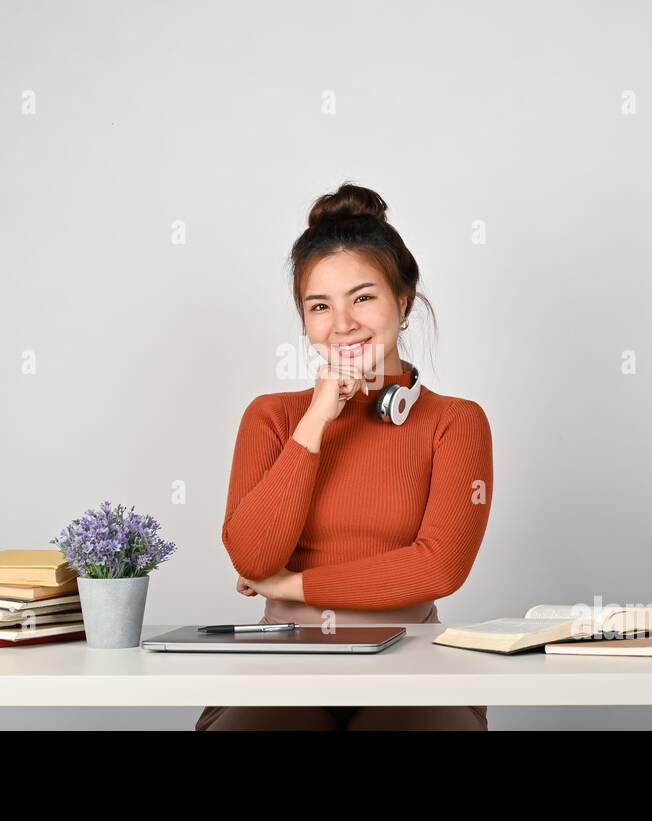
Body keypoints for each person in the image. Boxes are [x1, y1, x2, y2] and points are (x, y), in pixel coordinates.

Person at [195, 182, 494, 731]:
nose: (343, 323)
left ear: (403, 301)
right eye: (319, 306)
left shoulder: (457, 422)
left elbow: (439, 566)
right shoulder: (271, 417)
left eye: (363, 297)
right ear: (304, 320)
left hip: (415, 663)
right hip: (281, 662)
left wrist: (290, 586)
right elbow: (253, 557)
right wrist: (315, 421)